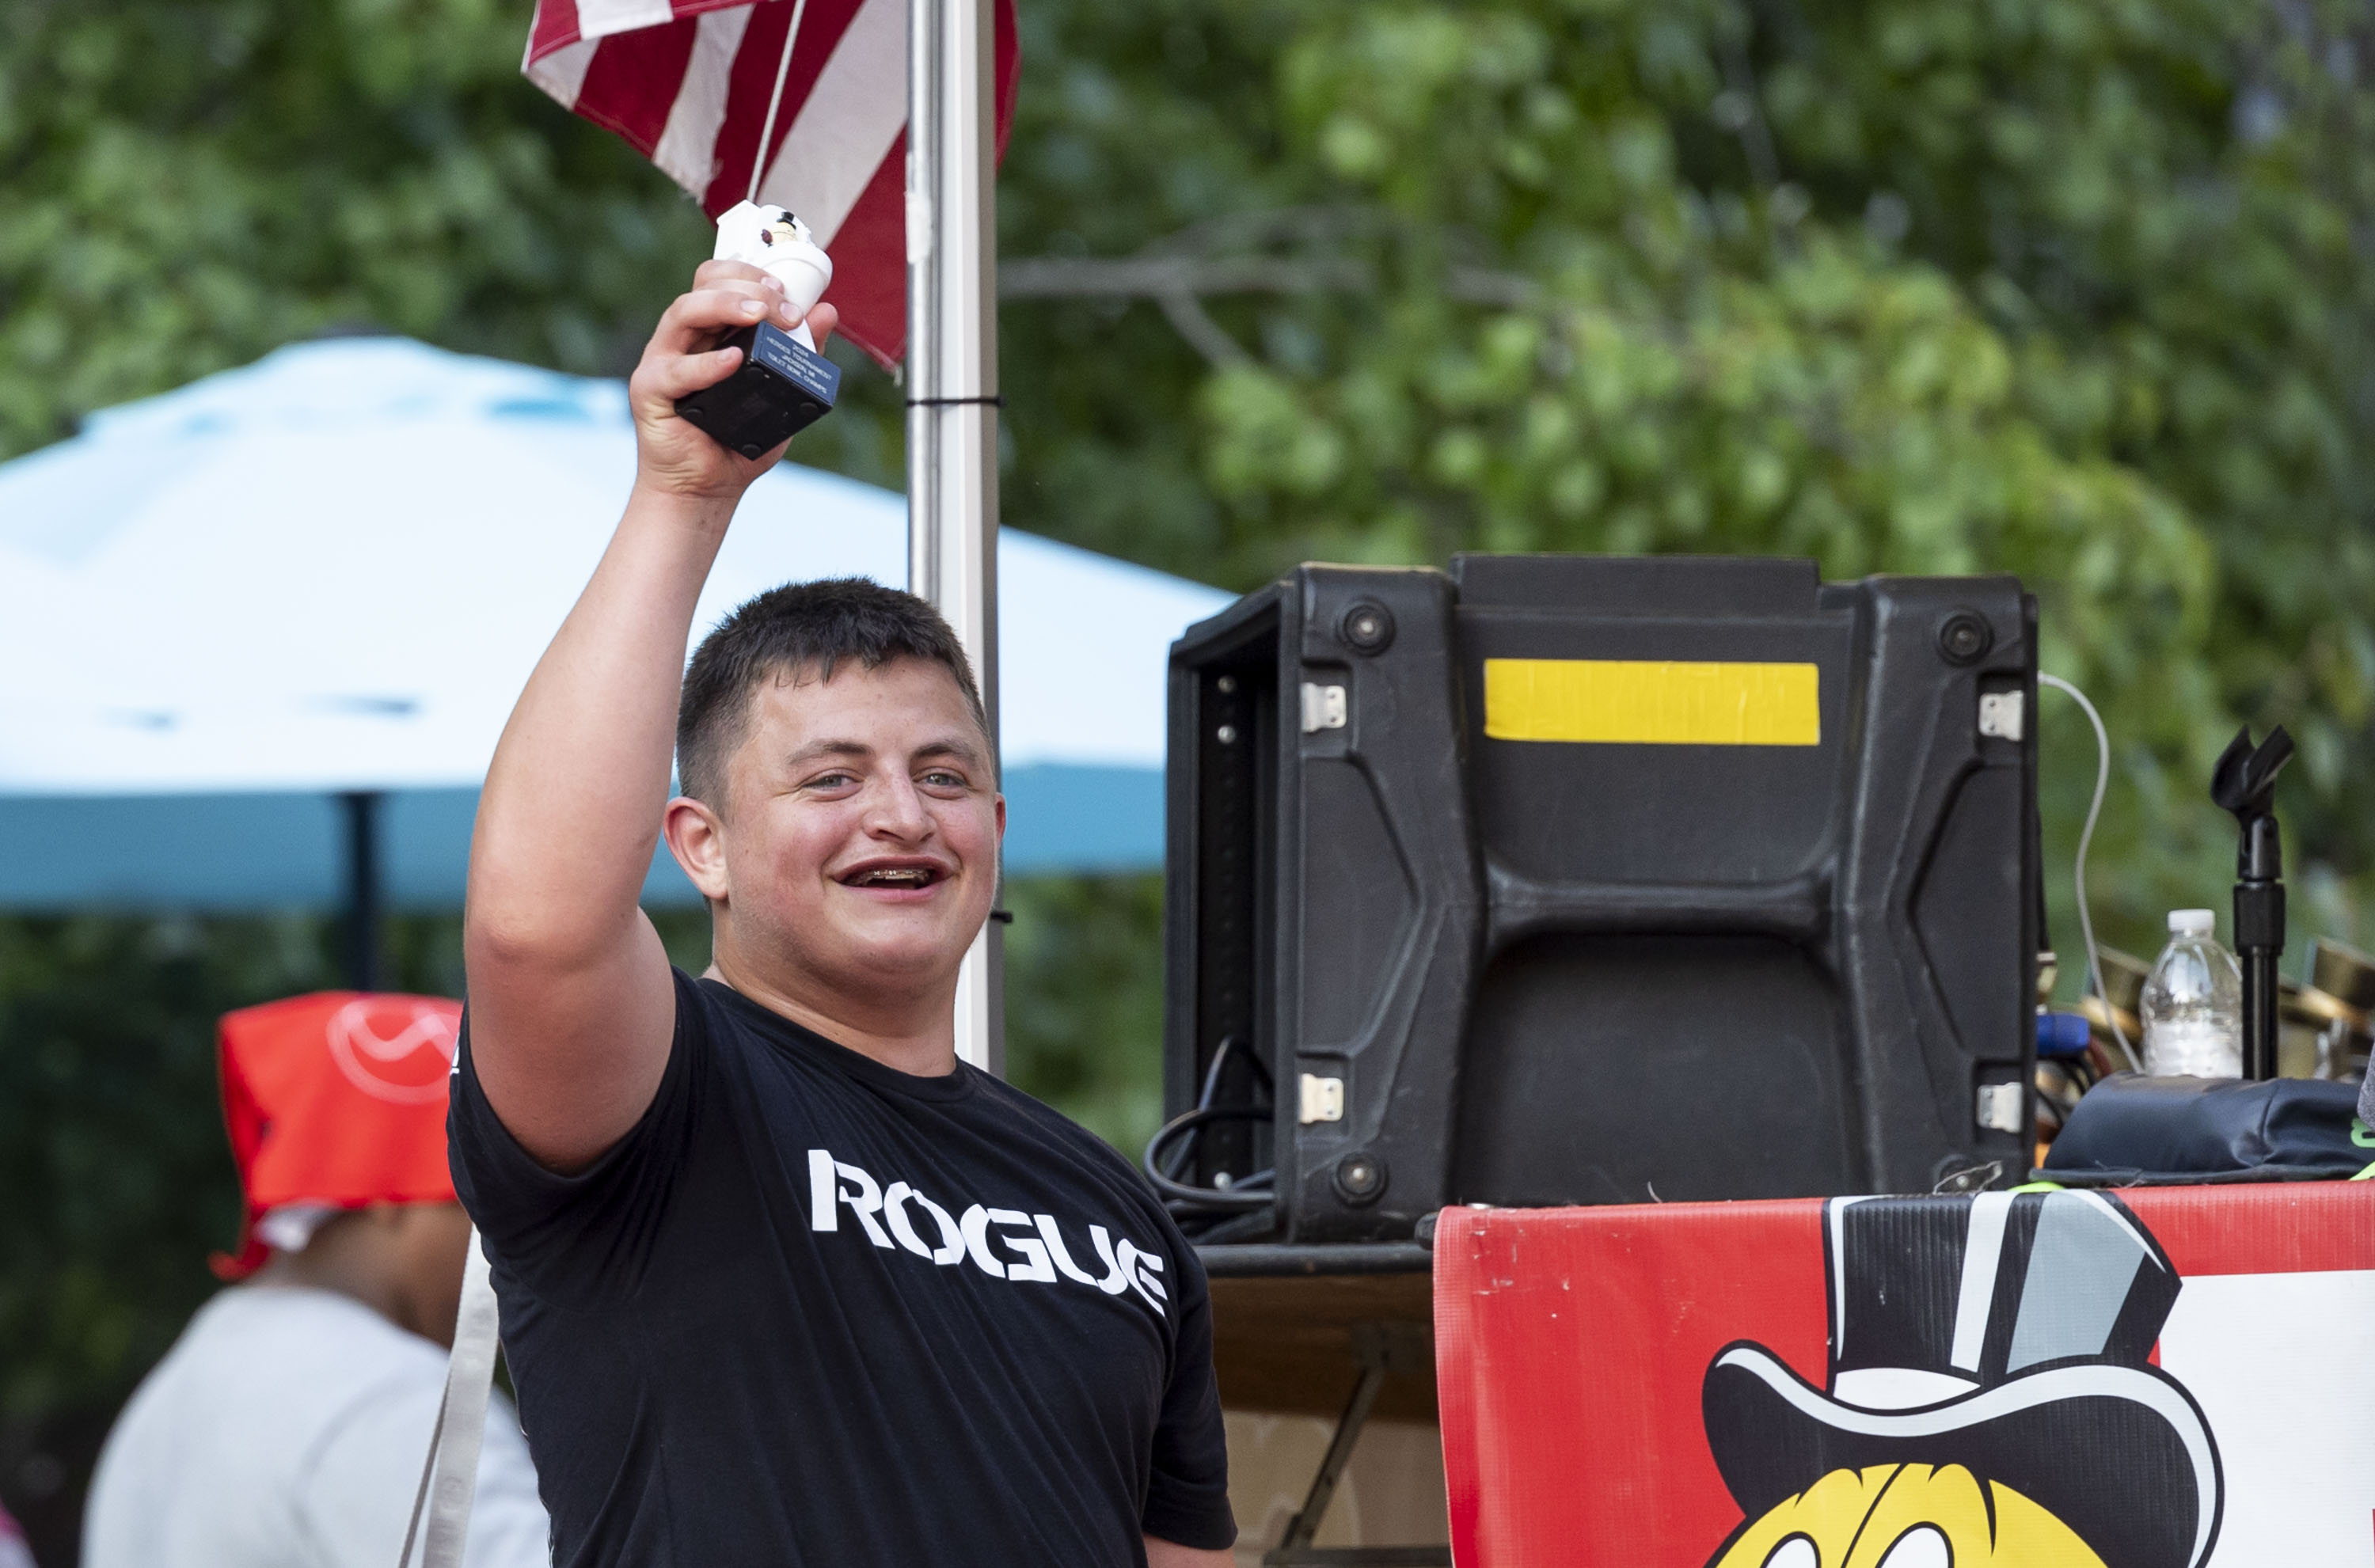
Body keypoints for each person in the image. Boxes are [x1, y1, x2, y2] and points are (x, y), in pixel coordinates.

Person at [449, 264, 1236, 1566]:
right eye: (832, 779)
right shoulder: (666, 1097)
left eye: (944, 777)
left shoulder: (1124, 1216)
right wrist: (684, 494)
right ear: (698, 845)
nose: (904, 817)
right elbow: (535, 925)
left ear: (994, 828)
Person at [83, 993, 551, 1568]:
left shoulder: (175, 1392)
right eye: (495, 1205)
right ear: (388, 1193)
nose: (527, 1245)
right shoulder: (386, 1399)